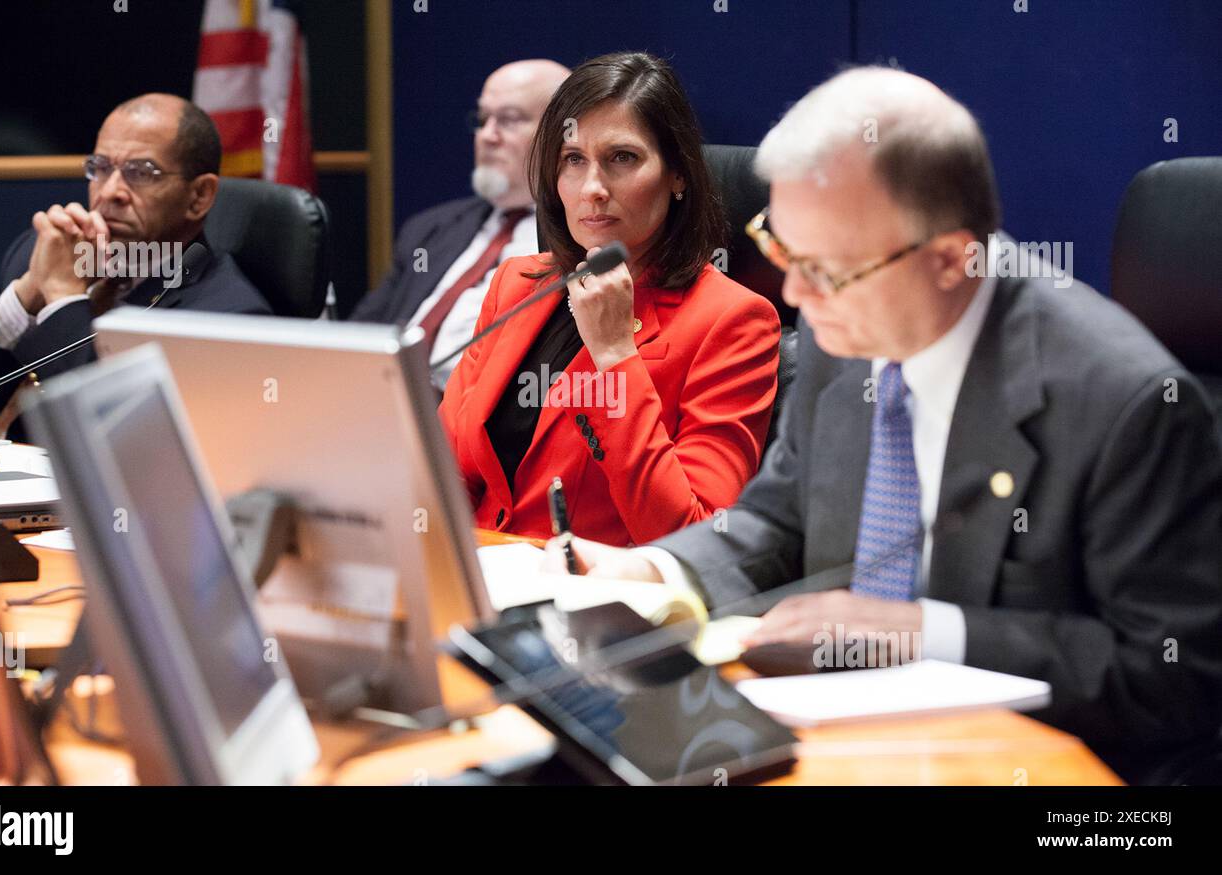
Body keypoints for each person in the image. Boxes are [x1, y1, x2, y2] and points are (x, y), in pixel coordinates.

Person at [546, 67, 1222, 782]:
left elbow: (1174, 675)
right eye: (781, 248)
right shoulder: (845, 340)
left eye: (825, 269)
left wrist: (921, 632)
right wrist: (655, 571)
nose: (797, 296)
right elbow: (778, 521)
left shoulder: (1124, 402)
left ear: (947, 260)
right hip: (829, 743)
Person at [440, 52, 781, 547]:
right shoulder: (515, 284)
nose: (593, 189)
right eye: (573, 160)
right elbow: (443, 470)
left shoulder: (733, 322)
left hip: (600, 599)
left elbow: (692, 534)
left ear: (678, 174)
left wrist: (615, 353)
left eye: (623, 158)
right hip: (482, 574)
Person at [0, 93, 270, 439]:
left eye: (141, 173)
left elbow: (118, 440)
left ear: (200, 196)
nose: (111, 192)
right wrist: (26, 295)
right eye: (101, 168)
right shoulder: (44, 252)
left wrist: (62, 298)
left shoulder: (226, 317)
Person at [350, 59, 569, 388]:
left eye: (508, 120)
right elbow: (361, 336)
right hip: (379, 406)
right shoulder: (430, 228)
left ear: (561, 134)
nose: (487, 136)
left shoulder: (580, 239)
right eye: (483, 119)